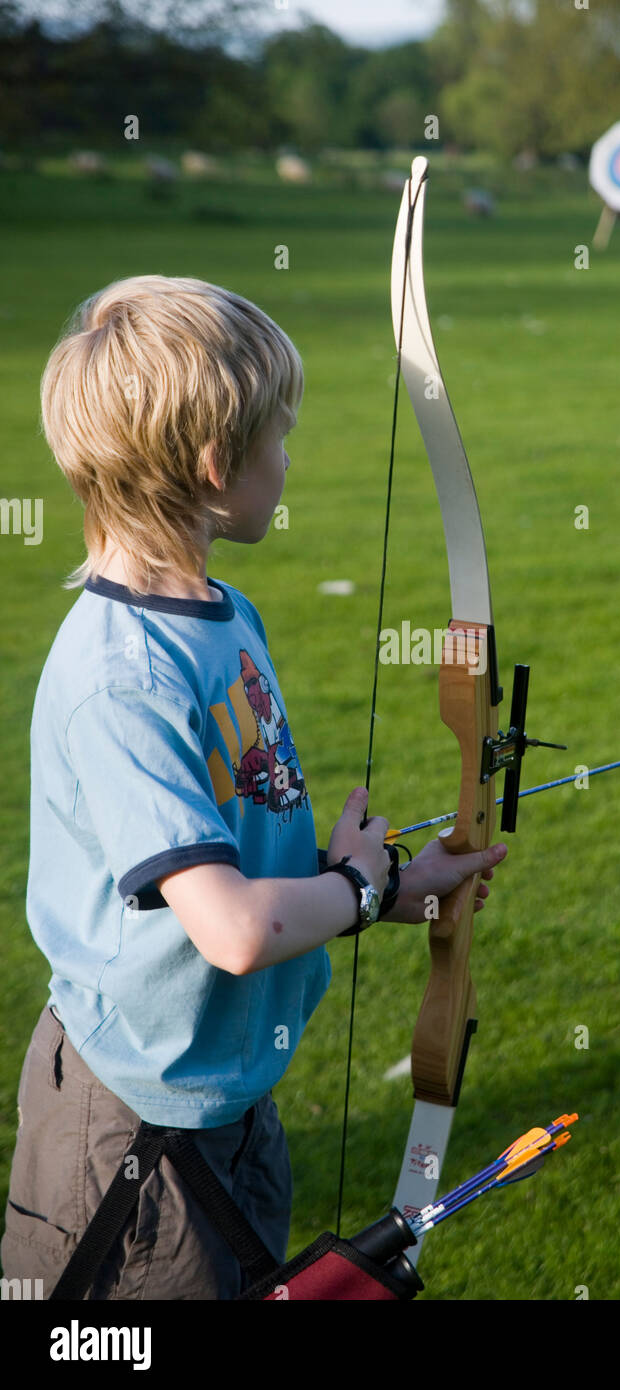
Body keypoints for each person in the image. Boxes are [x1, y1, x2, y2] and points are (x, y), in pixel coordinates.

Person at [0, 275, 506, 1299]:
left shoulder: (223, 613)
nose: (287, 457)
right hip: (133, 1122)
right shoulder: (121, 676)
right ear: (211, 462)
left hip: (224, 1093)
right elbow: (229, 927)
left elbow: (231, 849)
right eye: (278, 434)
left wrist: (381, 886)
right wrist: (357, 888)